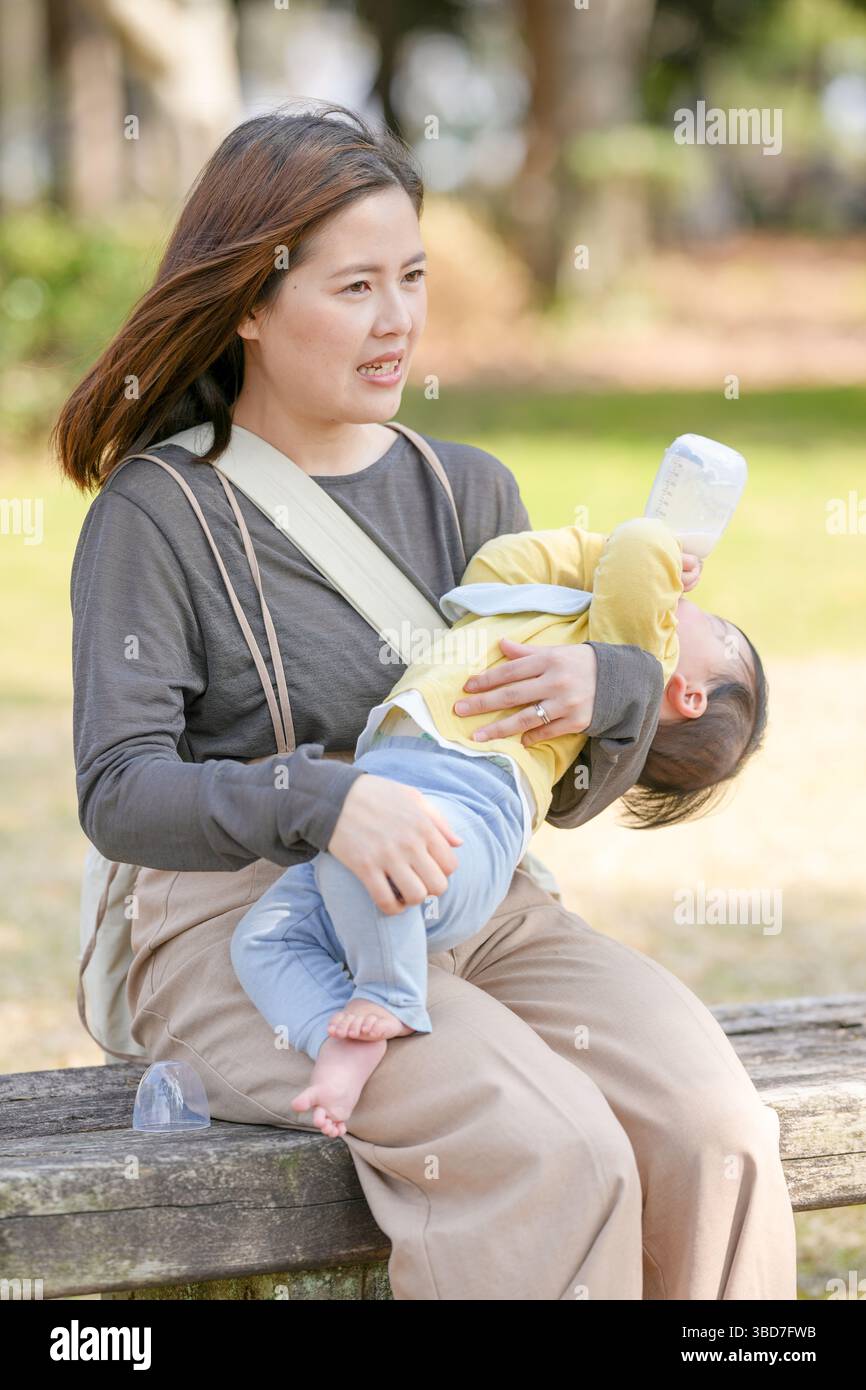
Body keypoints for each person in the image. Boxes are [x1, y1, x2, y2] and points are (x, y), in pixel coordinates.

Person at [56, 101, 797, 1299]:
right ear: (249, 301)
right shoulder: (158, 517)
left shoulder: (467, 489)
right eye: (353, 287)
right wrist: (332, 805)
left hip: (472, 892)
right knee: (548, 1150)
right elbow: (119, 791)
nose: (397, 318)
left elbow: (546, 797)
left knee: (715, 1131)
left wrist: (606, 680)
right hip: (258, 932)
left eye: (410, 276)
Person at [230, 515, 767, 1137]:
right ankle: (333, 1035)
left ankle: (391, 995)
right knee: (265, 939)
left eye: (721, 630)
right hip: (388, 794)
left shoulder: (639, 652)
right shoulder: (553, 617)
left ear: (689, 695)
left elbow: (641, 547)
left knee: (360, 847)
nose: (698, 607)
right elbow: (500, 564)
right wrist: (593, 558)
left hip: (468, 806)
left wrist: (669, 554)